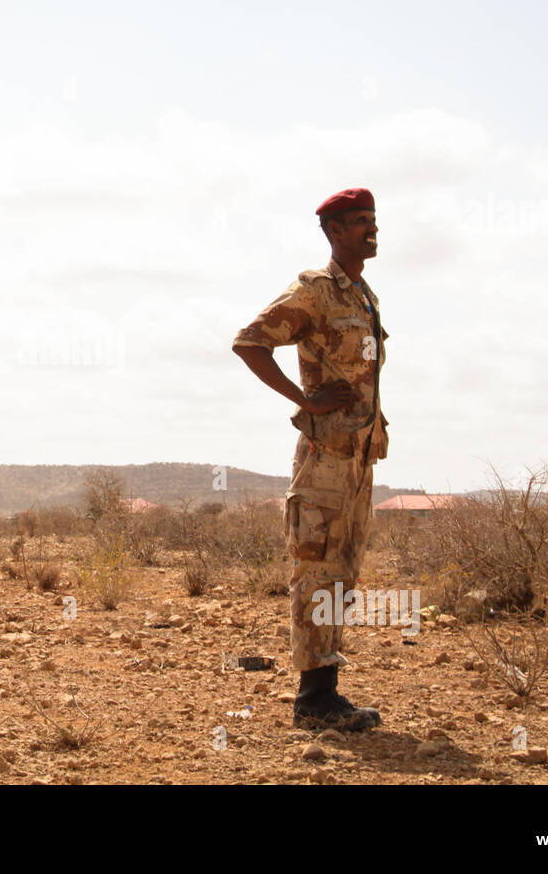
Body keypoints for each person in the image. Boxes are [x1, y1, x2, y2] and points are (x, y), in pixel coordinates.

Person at [231, 187, 389, 731]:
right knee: (316, 571)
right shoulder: (316, 291)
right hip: (324, 458)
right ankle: (311, 700)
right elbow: (251, 342)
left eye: (373, 220)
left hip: (358, 461)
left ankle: (327, 693)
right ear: (333, 232)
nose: (372, 230)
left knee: (341, 576)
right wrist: (305, 400)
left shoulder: (363, 296)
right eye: (359, 222)